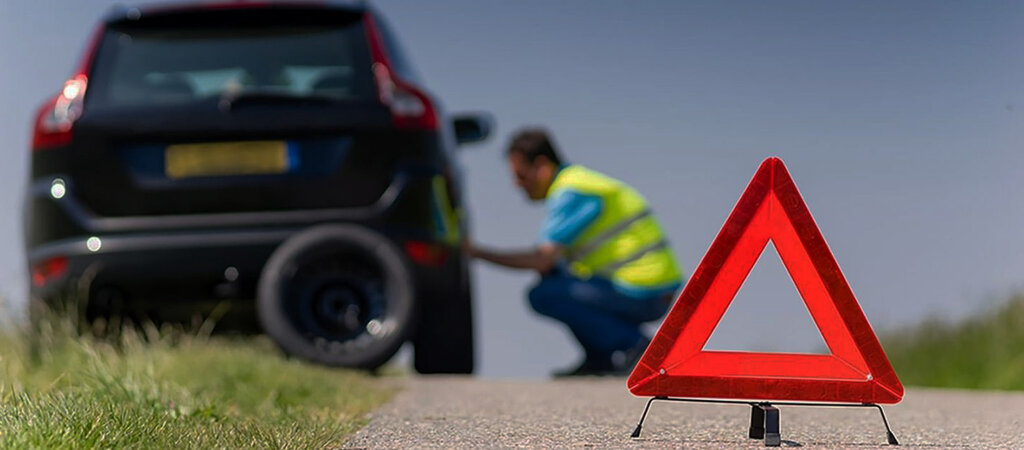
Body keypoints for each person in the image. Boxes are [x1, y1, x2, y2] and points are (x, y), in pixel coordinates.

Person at [465, 128, 684, 377]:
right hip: (644, 286)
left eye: (521, 175)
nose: (517, 185)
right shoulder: (579, 183)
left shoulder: (573, 192)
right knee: (553, 279)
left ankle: (635, 346)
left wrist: (476, 253)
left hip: (645, 291)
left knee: (546, 293)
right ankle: (600, 357)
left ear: (542, 166)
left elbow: (541, 259)